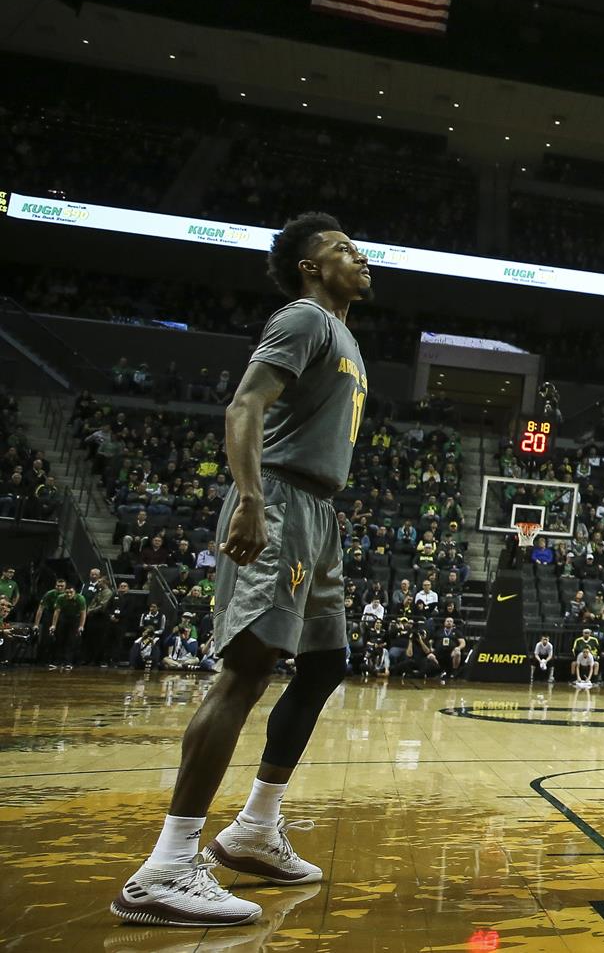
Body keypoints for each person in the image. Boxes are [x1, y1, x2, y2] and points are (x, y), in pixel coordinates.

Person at [114, 213, 371, 927]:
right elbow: (245, 405)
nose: (359, 256)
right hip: (282, 498)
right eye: (341, 250)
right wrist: (252, 498)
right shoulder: (304, 318)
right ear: (310, 268)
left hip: (319, 513)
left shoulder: (345, 335)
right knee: (249, 668)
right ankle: (167, 863)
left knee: (325, 664)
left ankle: (256, 826)